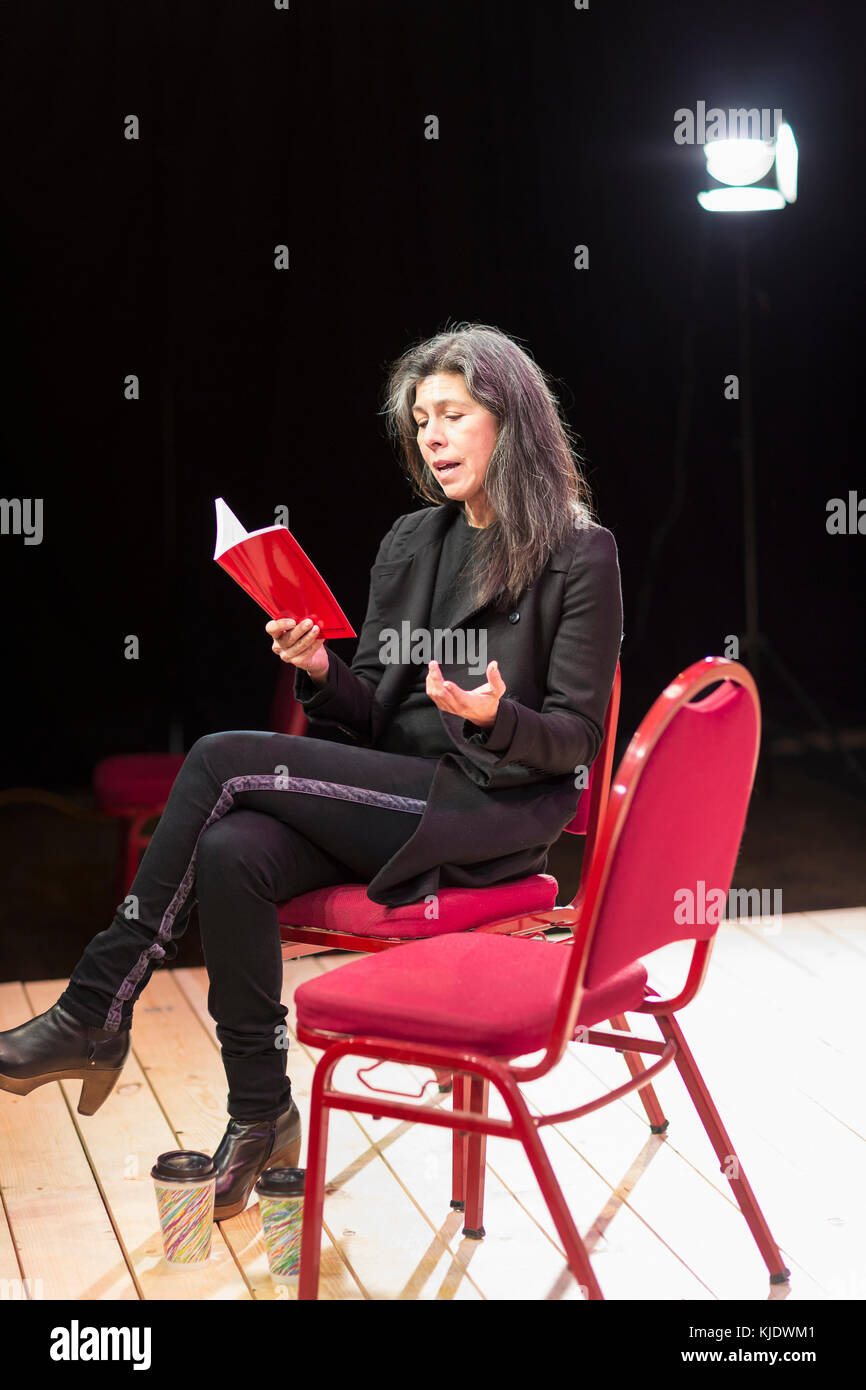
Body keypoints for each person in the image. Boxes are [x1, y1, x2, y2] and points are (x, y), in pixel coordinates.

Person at [0, 322, 623, 1220]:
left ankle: (95, 1007)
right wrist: (324, 671)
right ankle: (261, 1113)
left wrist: (497, 717)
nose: (432, 437)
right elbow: (370, 711)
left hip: (484, 809)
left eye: (452, 415)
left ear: (510, 422)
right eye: (420, 422)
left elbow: (577, 737)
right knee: (234, 851)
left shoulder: (578, 551)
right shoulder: (411, 540)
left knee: (219, 759)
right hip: (391, 789)